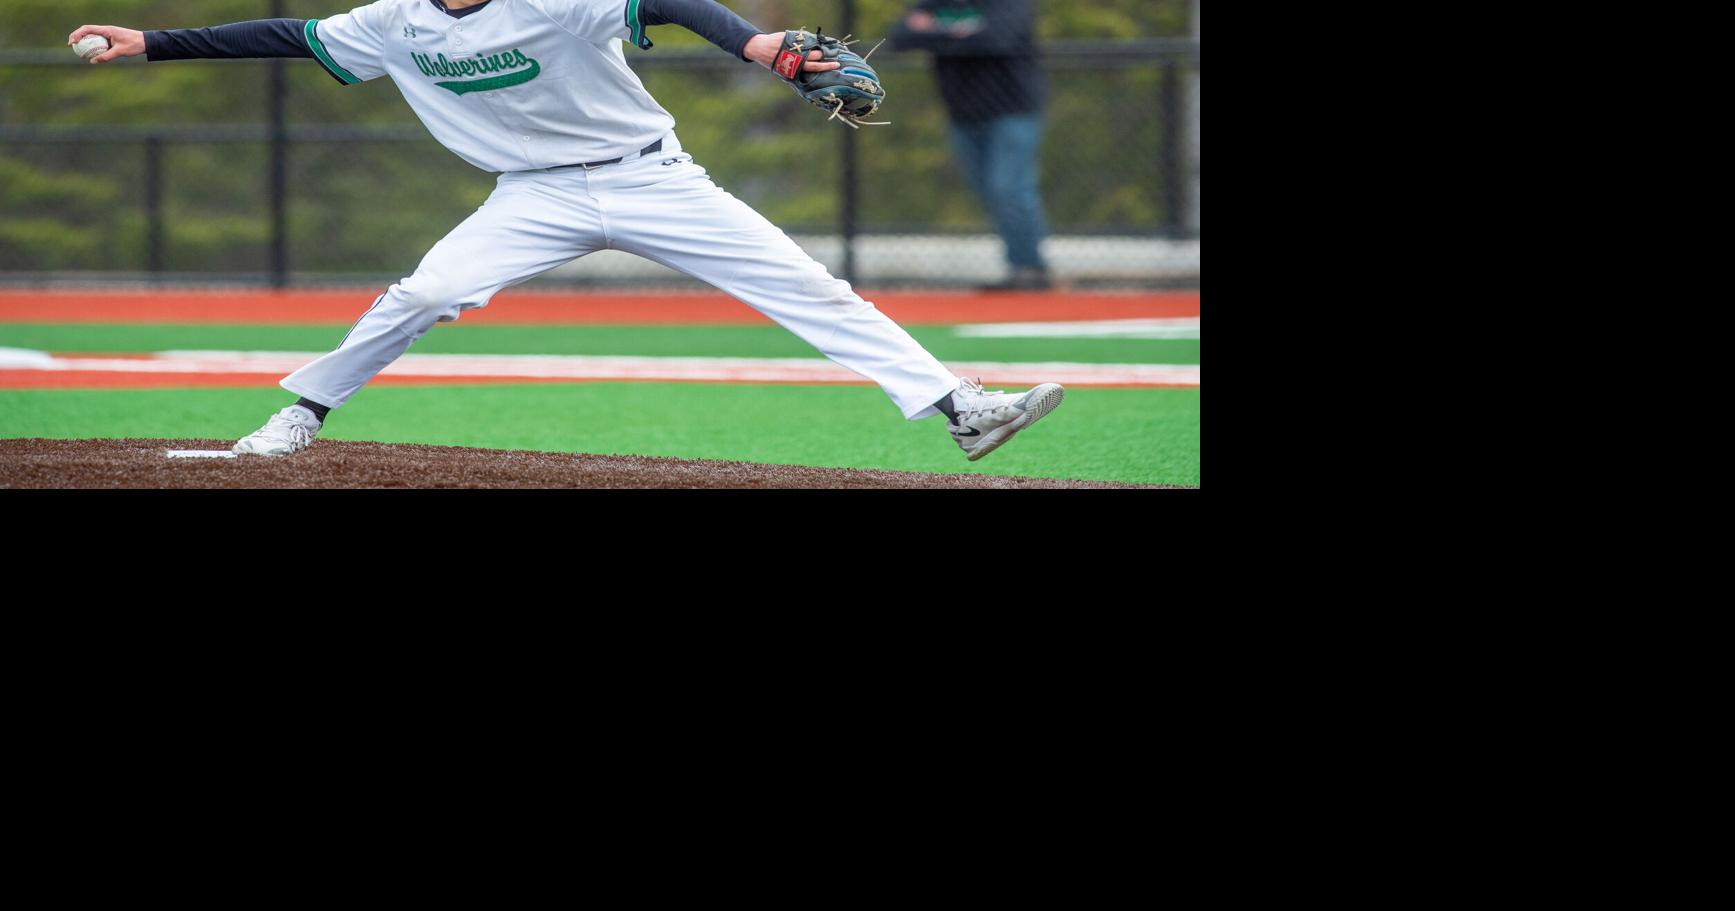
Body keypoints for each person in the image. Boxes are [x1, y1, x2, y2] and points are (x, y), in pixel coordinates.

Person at [68, 0, 1063, 462]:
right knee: (421, 291)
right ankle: (299, 415)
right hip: (529, 195)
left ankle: (960, 406)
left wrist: (756, 44)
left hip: (654, 179)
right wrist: (148, 42)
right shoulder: (393, 22)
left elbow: (668, 0)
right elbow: (290, 36)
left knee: (809, 288)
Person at [891, 0, 1052, 291]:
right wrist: (962, 33)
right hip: (963, 112)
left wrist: (935, 32)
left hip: (1013, 109)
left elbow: (995, 39)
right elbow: (901, 36)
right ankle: (1019, 266)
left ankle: (1030, 268)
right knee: (988, 190)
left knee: (1009, 188)